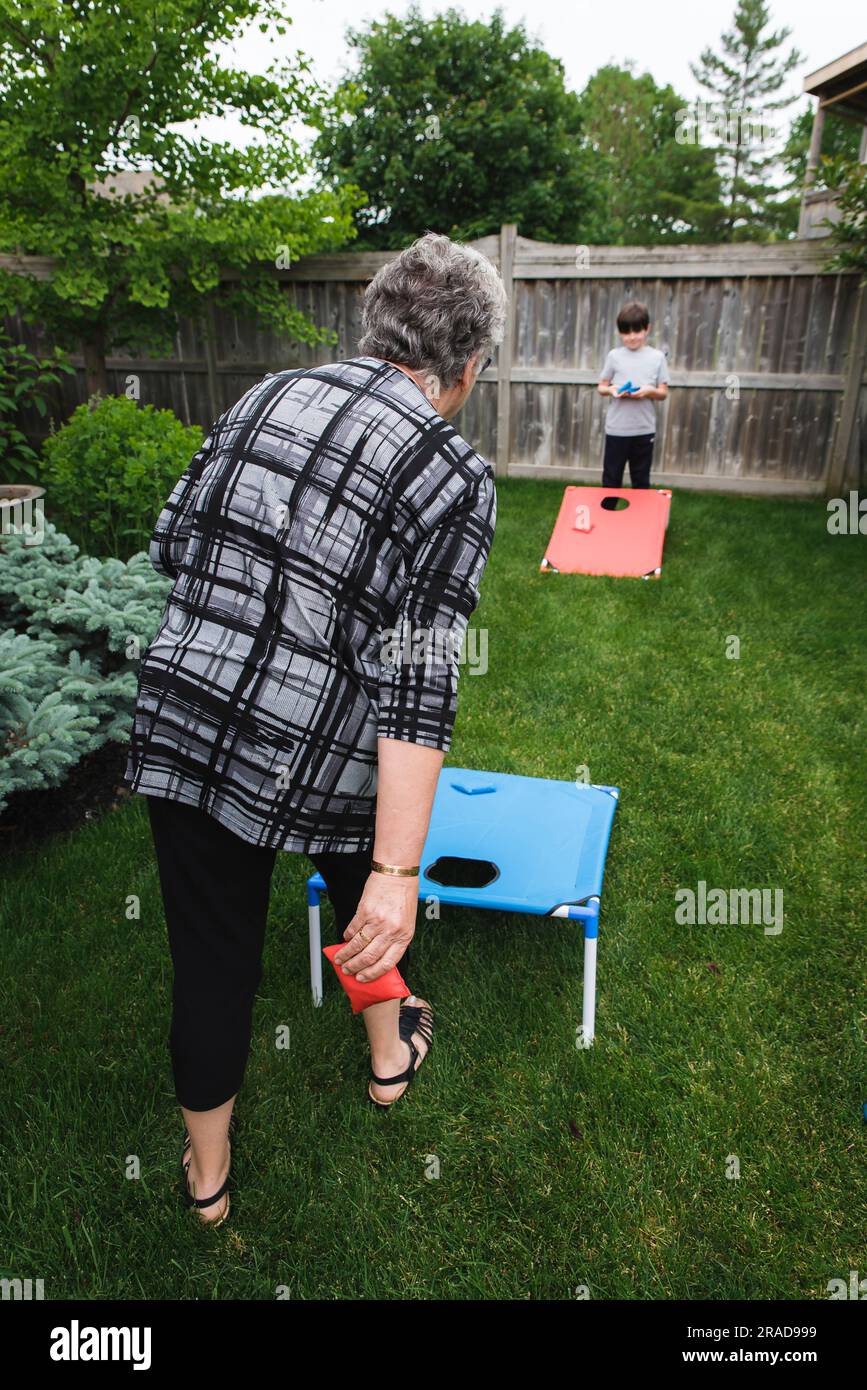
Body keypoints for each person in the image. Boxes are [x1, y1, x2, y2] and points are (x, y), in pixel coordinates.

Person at [124, 231, 507, 1225]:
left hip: (180, 711)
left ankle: (207, 1181)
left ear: (374, 323)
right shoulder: (452, 474)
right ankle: (389, 1057)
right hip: (321, 746)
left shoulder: (260, 395)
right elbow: (420, 683)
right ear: (466, 368)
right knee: (363, 874)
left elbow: (173, 540)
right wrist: (398, 871)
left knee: (211, 959)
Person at [597, 301, 670, 490]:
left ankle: (641, 520)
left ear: (647, 329)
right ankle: (607, 518)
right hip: (617, 429)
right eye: (626, 332)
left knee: (640, 480)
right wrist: (612, 390)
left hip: (644, 430)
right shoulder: (614, 356)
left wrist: (649, 391)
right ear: (619, 332)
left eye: (636, 331)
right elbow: (601, 387)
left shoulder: (657, 357)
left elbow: (663, 393)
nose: (631, 337)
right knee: (611, 479)